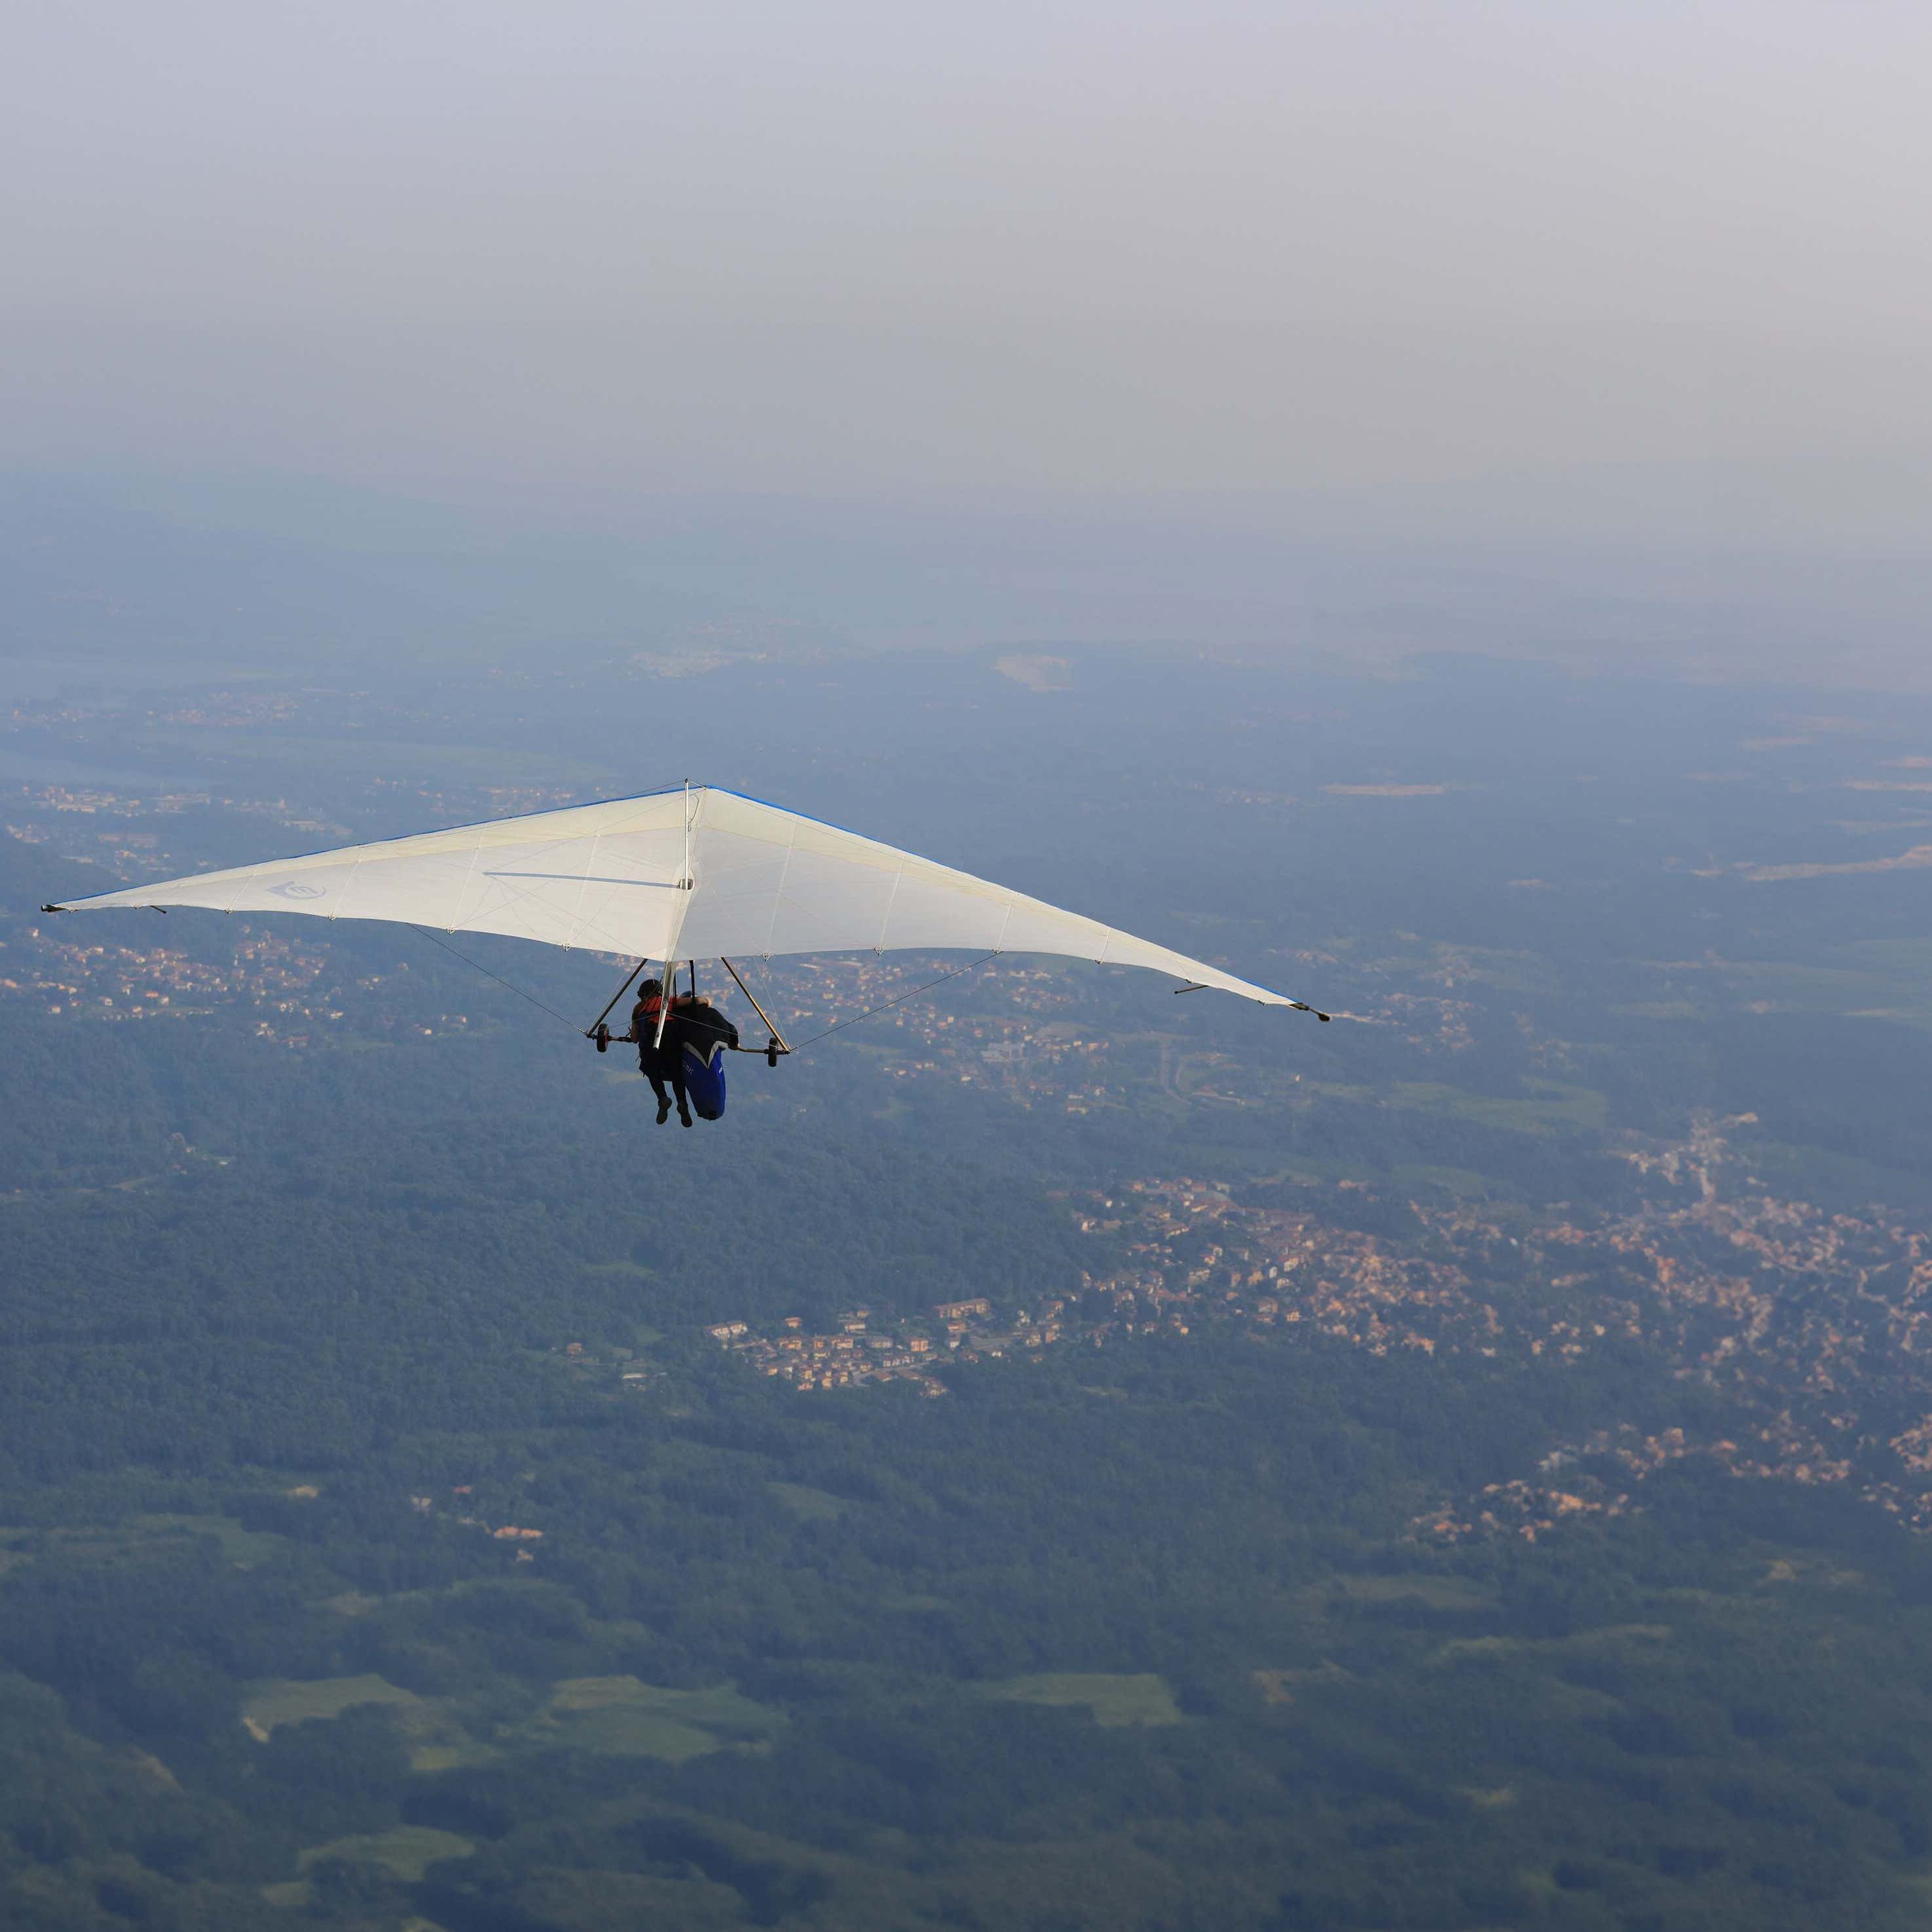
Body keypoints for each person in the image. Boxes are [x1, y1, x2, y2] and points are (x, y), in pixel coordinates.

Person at [667, 990, 739, 1122]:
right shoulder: (712, 1013)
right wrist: (734, 1044)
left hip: (688, 1053)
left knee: (676, 1073)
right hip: (711, 1049)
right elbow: (732, 1029)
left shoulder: (677, 1016)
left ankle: (682, 1102)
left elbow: (669, 1041)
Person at [629, 978, 690, 1126]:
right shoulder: (667, 1001)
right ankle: (682, 1103)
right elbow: (703, 1001)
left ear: (643, 995)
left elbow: (635, 1038)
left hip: (650, 1045)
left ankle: (663, 1098)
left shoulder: (638, 1010)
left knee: (652, 1070)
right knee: (676, 1072)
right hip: (670, 1040)